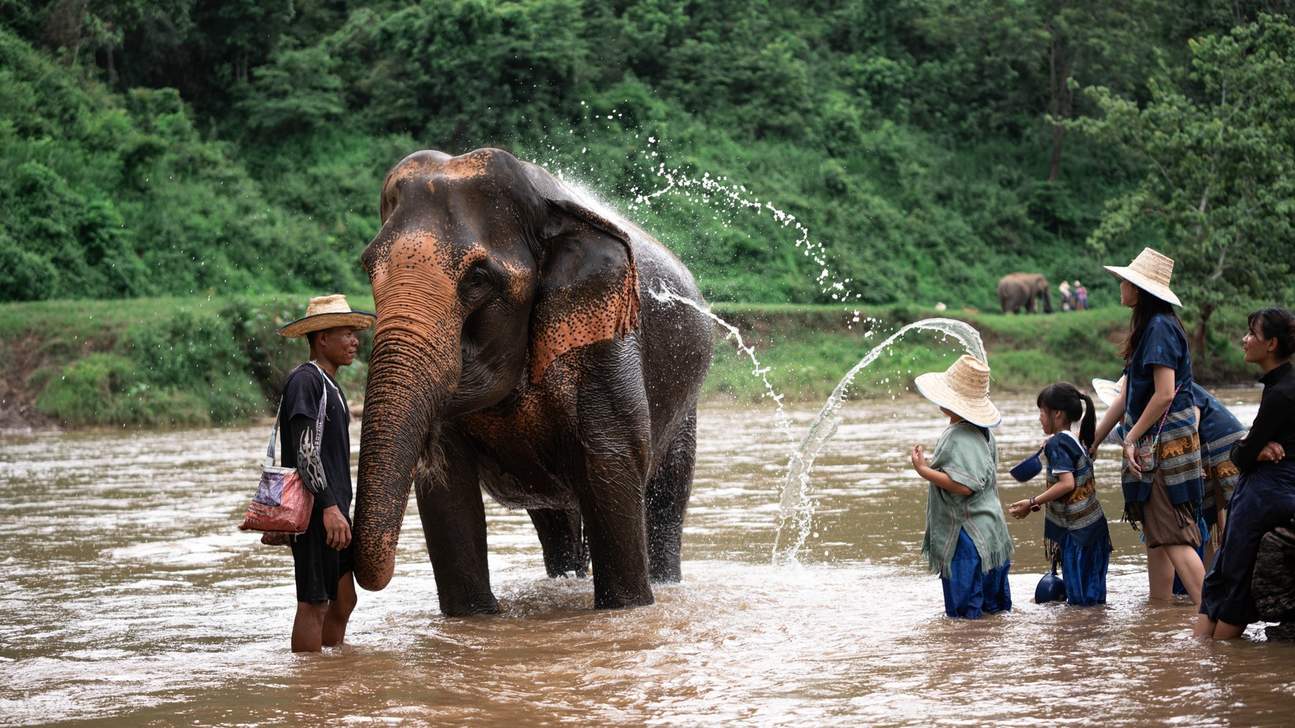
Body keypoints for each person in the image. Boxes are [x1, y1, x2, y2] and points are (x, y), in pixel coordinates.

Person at [1091, 247, 1206, 604]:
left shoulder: (1158, 328)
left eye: (1125, 281)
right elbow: (1126, 396)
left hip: (1163, 447)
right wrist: (1092, 442)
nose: (1120, 286)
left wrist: (1131, 438)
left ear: (1140, 290)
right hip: (1160, 444)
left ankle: (1213, 619)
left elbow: (1164, 394)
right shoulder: (1150, 328)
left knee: (1173, 534)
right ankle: (1161, 613)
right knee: (1159, 534)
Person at [275, 294, 375, 652]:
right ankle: (307, 687)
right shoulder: (306, 381)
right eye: (345, 333)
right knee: (314, 602)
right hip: (317, 510)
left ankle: (328, 675)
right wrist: (329, 507)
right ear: (322, 339)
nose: (354, 341)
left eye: (354, 333)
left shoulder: (331, 386)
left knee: (344, 600)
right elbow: (305, 453)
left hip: (334, 511)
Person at [1195, 307, 1295, 640]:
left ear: (1271, 344)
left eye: (1252, 333)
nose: (1245, 338)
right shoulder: (1282, 385)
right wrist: (1254, 446)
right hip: (1276, 490)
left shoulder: (1281, 393)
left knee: (1229, 575)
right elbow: (1252, 447)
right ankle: (1208, 656)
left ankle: (1216, 661)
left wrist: (1251, 447)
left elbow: (1242, 456)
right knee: (1226, 571)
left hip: (1265, 494)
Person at [909, 354, 1013, 618]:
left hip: (967, 537)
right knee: (993, 614)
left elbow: (965, 486)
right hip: (990, 532)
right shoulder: (981, 431)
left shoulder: (960, 434)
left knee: (966, 623)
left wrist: (924, 471)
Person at [1008, 383, 1111, 605]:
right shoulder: (1076, 439)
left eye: (1042, 413)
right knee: (1093, 600)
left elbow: (1066, 484)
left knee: (1079, 602)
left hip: (1077, 534)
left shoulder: (1057, 443)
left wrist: (1032, 502)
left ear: (1057, 414)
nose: (1039, 419)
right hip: (1094, 528)